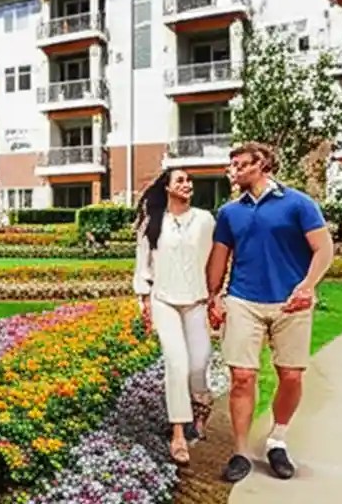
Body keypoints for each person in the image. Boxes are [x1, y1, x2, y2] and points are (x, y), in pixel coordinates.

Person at [206, 142, 334, 483]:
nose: (232, 170)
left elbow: (324, 249)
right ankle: (241, 451)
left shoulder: (298, 204)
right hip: (243, 300)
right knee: (242, 378)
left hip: (291, 303)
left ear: (261, 164)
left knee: (291, 376)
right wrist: (214, 296)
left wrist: (307, 286)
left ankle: (277, 438)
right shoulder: (229, 212)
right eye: (230, 164)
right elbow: (219, 258)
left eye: (239, 164)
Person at [133, 168, 216, 466]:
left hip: (196, 300)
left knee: (198, 363)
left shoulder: (205, 220)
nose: (187, 184)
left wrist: (216, 297)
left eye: (189, 180)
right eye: (180, 180)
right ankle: (178, 434)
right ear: (167, 187)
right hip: (163, 300)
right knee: (176, 363)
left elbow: (215, 261)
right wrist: (144, 300)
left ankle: (202, 404)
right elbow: (143, 265)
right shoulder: (151, 223)